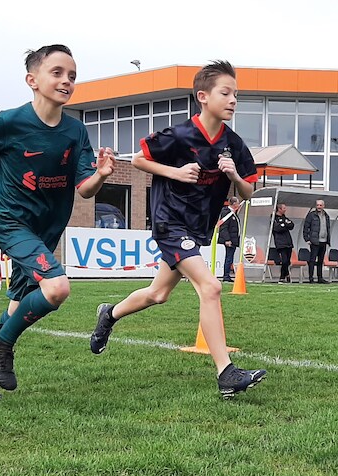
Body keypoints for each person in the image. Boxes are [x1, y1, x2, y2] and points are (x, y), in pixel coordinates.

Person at [0, 45, 116, 398]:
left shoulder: (76, 132)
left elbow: (84, 189)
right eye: (57, 73)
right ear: (32, 80)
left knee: (19, 304)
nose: (66, 81)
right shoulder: (10, 121)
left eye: (72, 76)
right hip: (11, 222)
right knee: (57, 287)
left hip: (48, 228)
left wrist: (101, 175)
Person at [88, 60, 265, 399]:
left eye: (236, 95)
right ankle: (226, 373)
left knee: (158, 294)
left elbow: (248, 192)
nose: (233, 101)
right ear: (203, 96)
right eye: (225, 93)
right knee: (210, 286)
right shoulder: (181, 135)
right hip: (169, 221)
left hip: (197, 228)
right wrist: (175, 172)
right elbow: (138, 160)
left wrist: (234, 177)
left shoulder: (234, 144)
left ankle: (108, 315)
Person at [302, 198, 332, 284]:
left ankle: (320, 278)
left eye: (320, 205)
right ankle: (311, 278)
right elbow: (306, 227)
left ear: (323, 206)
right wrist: (307, 239)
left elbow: (328, 228)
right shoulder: (311, 215)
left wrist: (328, 240)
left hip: (324, 241)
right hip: (314, 241)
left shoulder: (326, 216)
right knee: (312, 260)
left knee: (320, 260)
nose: (319, 207)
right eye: (317, 205)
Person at [217, 196, 241, 282]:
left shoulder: (233, 212)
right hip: (230, 239)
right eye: (237, 203)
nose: (238, 205)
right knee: (229, 257)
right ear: (234, 204)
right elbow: (224, 227)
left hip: (233, 239)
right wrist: (227, 239)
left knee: (230, 257)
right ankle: (226, 276)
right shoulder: (226, 212)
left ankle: (227, 275)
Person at [270, 202, 294, 283]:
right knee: (284, 261)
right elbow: (277, 228)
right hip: (280, 243)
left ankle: (285, 276)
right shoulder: (274, 218)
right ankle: (283, 276)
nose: (285, 209)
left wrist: (284, 225)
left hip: (288, 242)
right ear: (279, 209)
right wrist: (284, 225)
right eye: (284, 208)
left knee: (287, 261)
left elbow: (291, 225)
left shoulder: (284, 217)